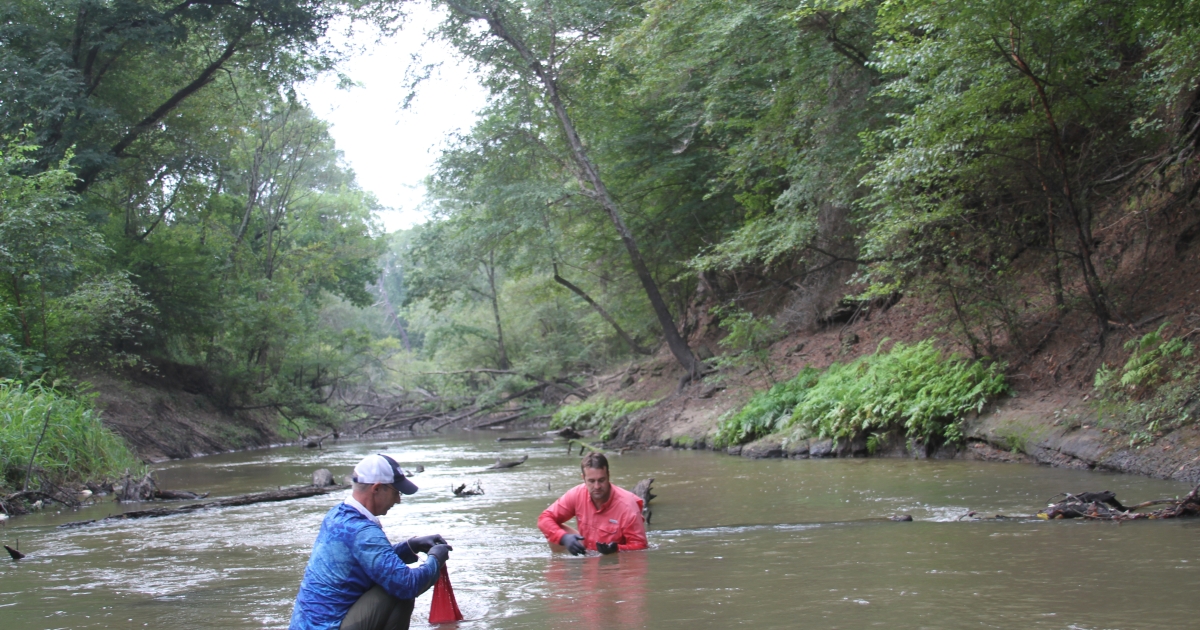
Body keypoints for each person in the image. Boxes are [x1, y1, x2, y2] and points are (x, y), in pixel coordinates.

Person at [290, 454, 451, 630]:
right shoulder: (363, 531)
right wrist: (435, 560)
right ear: (376, 489)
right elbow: (405, 585)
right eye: (396, 492)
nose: (398, 499)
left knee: (392, 578)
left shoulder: (338, 515)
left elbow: (370, 561)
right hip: (330, 626)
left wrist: (411, 546)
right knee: (397, 591)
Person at [538, 452, 647, 555]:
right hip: (587, 549)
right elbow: (544, 519)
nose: (597, 487)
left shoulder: (627, 506)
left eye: (601, 480)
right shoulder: (577, 494)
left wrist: (617, 549)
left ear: (608, 475)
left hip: (615, 559)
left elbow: (641, 546)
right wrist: (563, 538)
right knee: (554, 532)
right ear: (583, 478)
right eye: (591, 481)